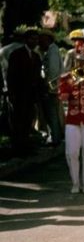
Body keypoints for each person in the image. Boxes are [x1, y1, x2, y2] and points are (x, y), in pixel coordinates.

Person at [58, 35, 84, 193]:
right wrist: (69, 83)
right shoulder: (67, 77)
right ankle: (75, 182)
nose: (80, 63)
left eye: (83, 60)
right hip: (73, 119)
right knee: (72, 152)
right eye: (78, 60)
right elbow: (62, 96)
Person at [6, 27, 46, 155]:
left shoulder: (36, 56)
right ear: (26, 40)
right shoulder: (17, 54)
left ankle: (26, 145)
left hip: (31, 94)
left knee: (29, 120)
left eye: (37, 39)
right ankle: (17, 148)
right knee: (18, 120)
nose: (35, 42)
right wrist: (11, 93)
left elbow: (38, 76)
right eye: (32, 39)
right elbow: (11, 75)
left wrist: (41, 90)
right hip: (19, 94)